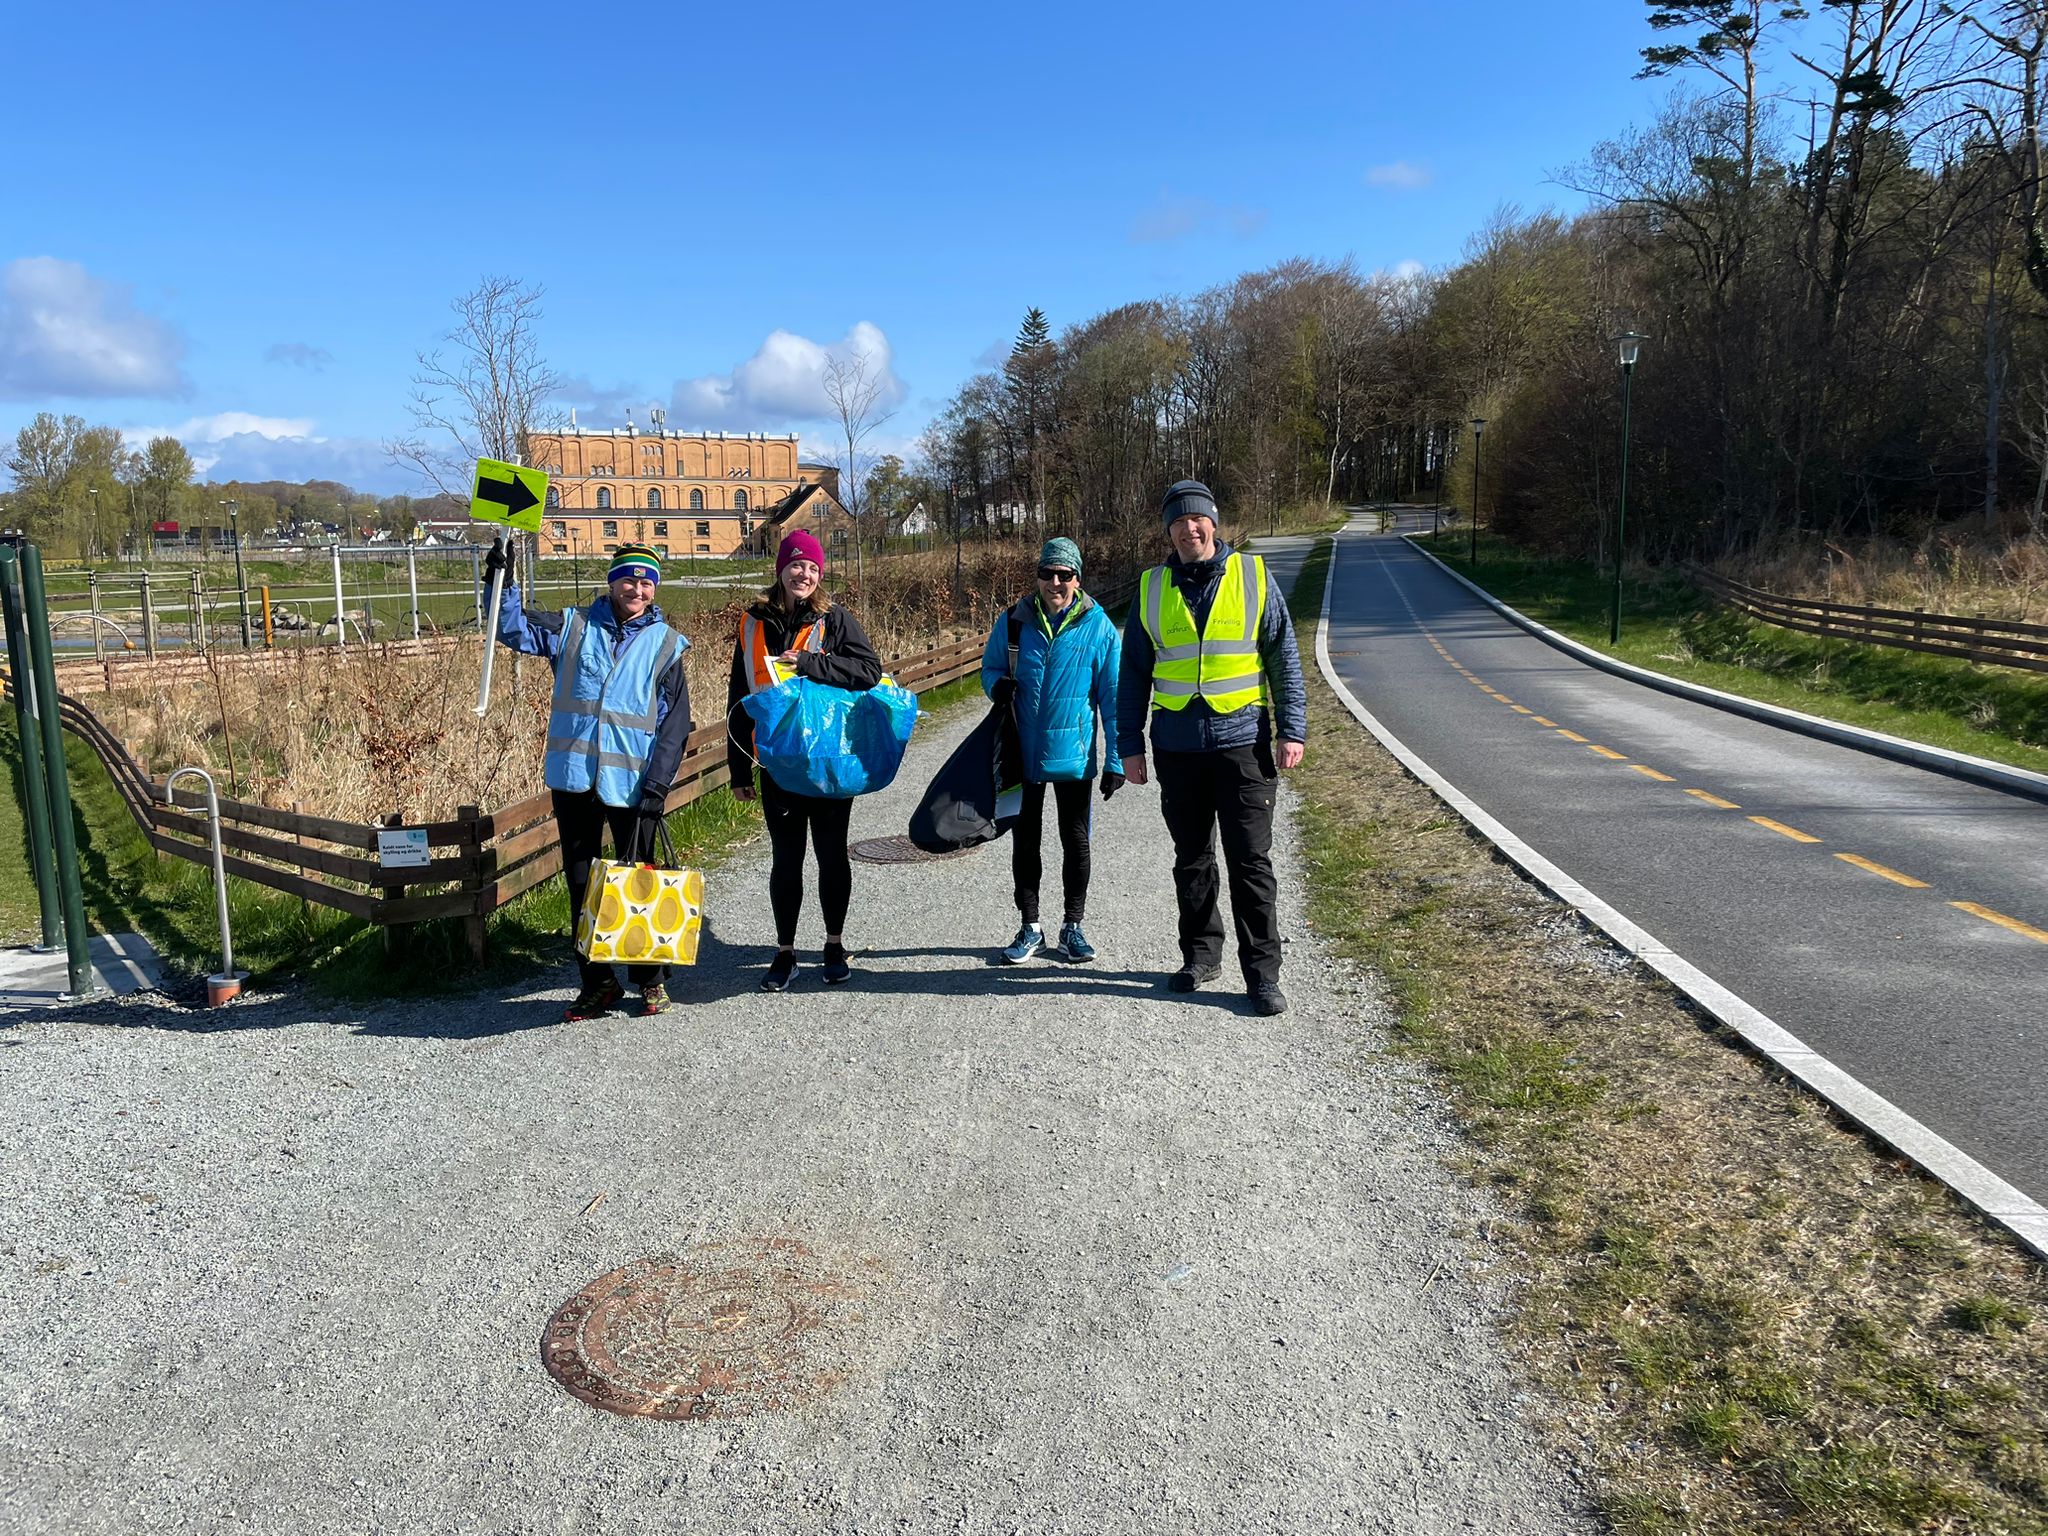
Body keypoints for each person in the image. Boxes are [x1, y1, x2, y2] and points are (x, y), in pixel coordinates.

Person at [1116, 480, 1307, 1016]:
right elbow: (1133, 676)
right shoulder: (1151, 587)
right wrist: (1129, 745)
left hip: (1243, 744)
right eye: (1177, 523)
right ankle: (1201, 956)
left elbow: (1283, 658)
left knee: (1250, 861)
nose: (1187, 529)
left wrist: (1292, 728)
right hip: (1177, 748)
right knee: (1192, 858)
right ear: (1168, 531)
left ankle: (1262, 976)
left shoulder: (1253, 576)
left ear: (1213, 524)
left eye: (1196, 520)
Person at [487, 538, 692, 1021]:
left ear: (654, 588)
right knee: (582, 884)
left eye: (646, 581)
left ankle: (650, 981)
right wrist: (502, 581)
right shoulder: (572, 627)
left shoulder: (665, 644)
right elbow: (511, 628)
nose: (636, 588)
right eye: (628, 578)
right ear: (612, 581)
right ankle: (598, 983)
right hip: (574, 778)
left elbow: (674, 724)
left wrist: (658, 785)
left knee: (638, 881)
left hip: (634, 785)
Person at [726, 529, 884, 991]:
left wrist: (812, 664)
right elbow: (739, 695)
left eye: (814, 568)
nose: (805, 574)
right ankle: (786, 952)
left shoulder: (834, 619)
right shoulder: (752, 622)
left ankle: (833, 945)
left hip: (828, 762)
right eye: (797, 565)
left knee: (832, 855)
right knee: (786, 859)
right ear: (781, 569)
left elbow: (869, 671)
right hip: (777, 763)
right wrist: (738, 769)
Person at [981, 536, 1122, 964]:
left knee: (1076, 842)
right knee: (1025, 842)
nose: (1055, 582)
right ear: (1038, 576)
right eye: (1047, 574)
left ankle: (1073, 927)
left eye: (1064, 575)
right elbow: (989, 669)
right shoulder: (1013, 621)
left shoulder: (1098, 626)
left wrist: (1115, 758)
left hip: (1074, 757)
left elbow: (1113, 698)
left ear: (1077, 578)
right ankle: (1030, 926)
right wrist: (996, 686)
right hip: (1021, 755)